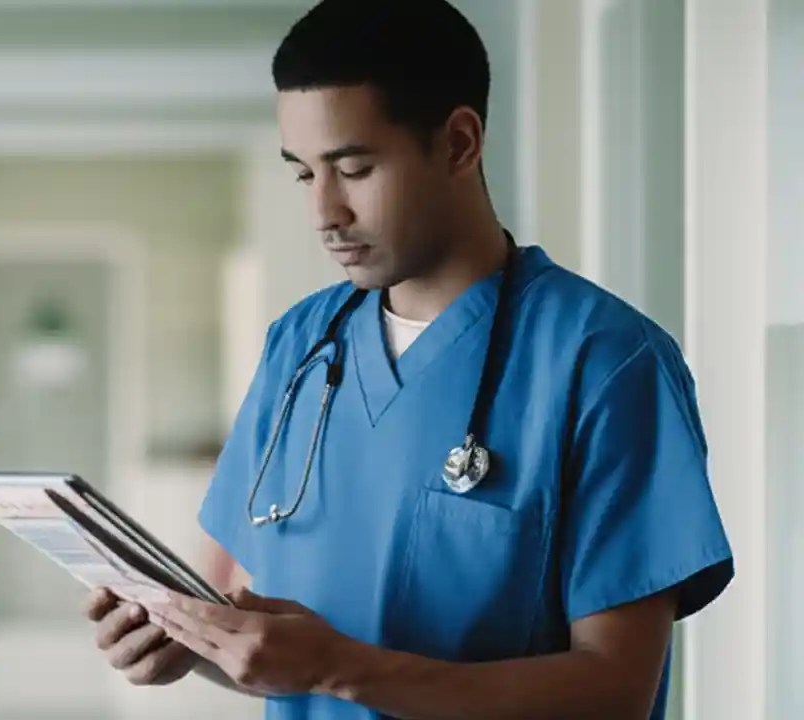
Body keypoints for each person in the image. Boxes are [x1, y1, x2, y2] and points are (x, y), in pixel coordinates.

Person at [84, 1, 733, 718]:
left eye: (354, 168)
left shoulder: (602, 361)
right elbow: (280, 658)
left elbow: (614, 691)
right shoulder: (299, 347)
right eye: (304, 175)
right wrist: (192, 643)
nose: (324, 213)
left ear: (459, 143)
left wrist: (340, 666)